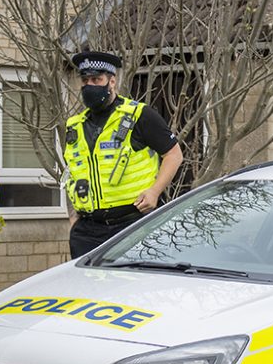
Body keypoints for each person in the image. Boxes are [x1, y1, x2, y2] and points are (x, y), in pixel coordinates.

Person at [63, 50, 183, 258]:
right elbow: (73, 172)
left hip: (132, 224)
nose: (90, 85)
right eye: (85, 80)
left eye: (96, 79)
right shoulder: (75, 125)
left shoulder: (139, 115)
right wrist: (73, 217)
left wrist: (155, 191)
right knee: (87, 289)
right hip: (87, 231)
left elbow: (174, 154)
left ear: (112, 81)